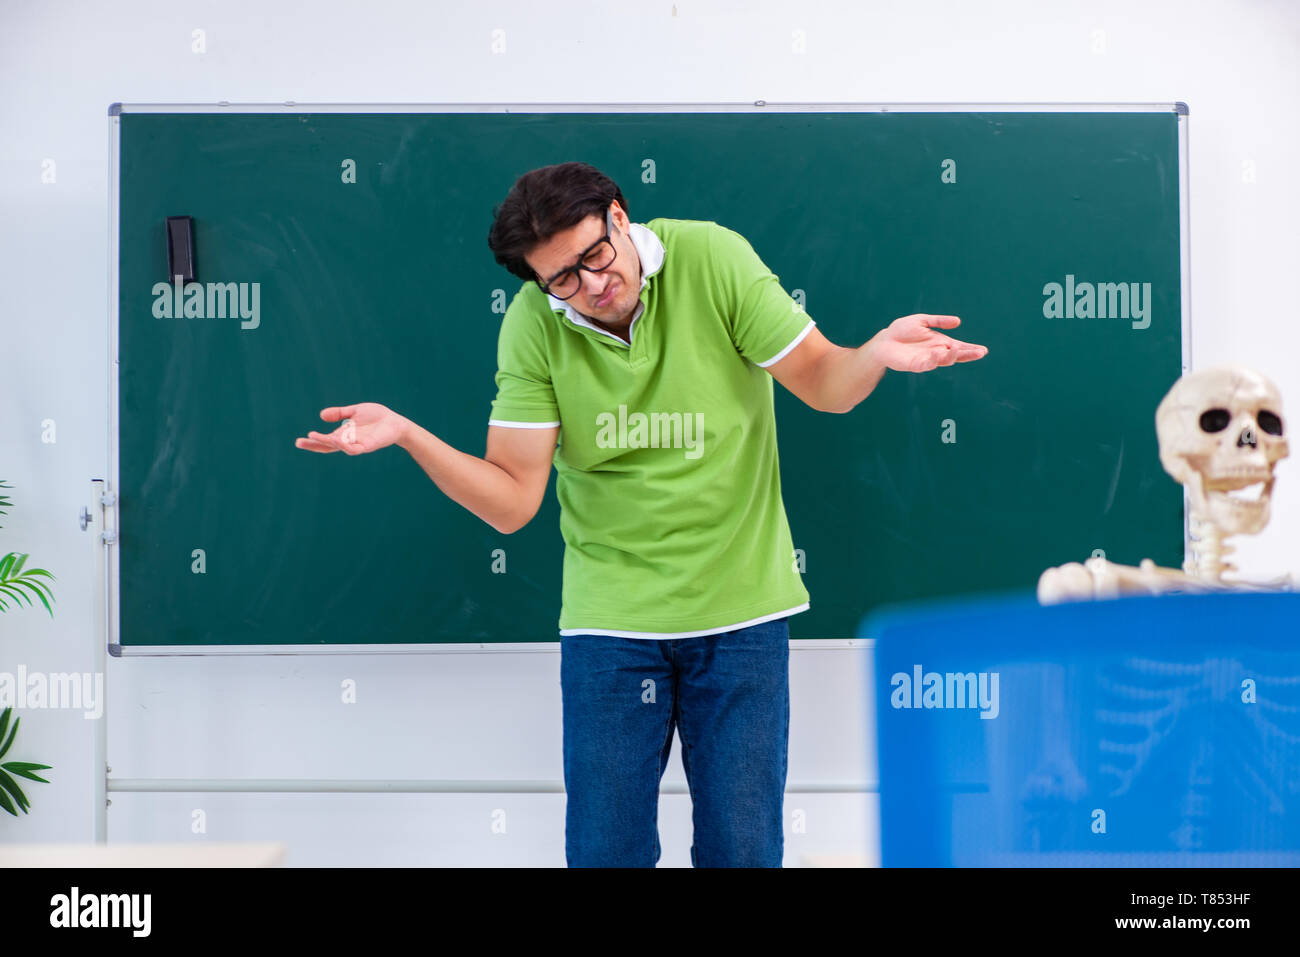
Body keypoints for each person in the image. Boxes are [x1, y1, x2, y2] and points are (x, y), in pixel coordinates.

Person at [295, 161, 988, 867]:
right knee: (605, 852)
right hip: (612, 627)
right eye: (561, 277)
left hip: (740, 612)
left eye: (594, 255)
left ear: (620, 217)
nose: (591, 285)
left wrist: (871, 354)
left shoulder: (713, 259)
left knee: (743, 850)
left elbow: (822, 382)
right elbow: (511, 501)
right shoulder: (534, 327)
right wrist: (410, 434)